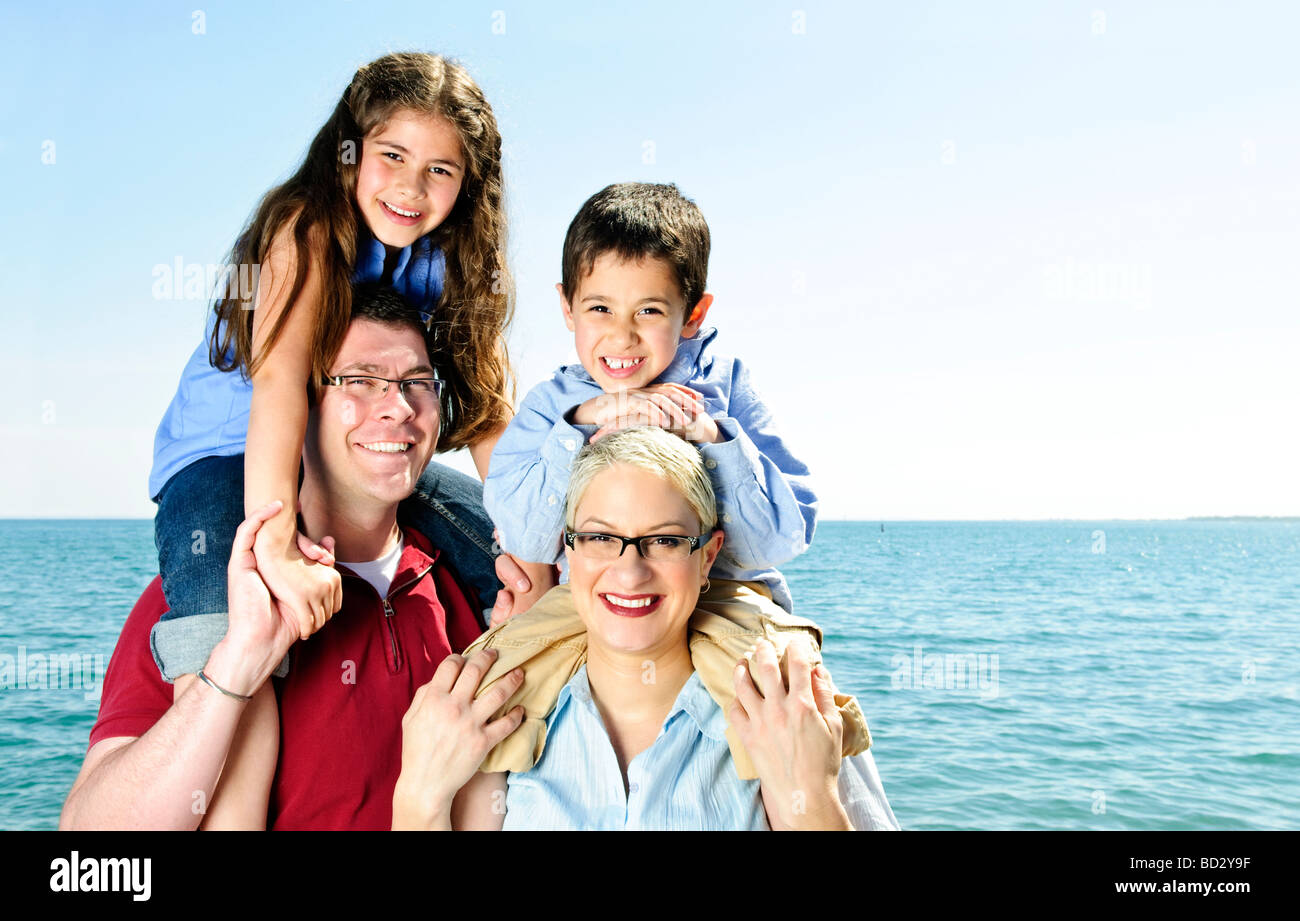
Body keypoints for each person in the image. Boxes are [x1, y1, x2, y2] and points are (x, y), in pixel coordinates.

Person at [60, 288, 525, 830]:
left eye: (415, 383)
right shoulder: (206, 598)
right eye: (360, 380)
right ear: (298, 407)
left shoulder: (476, 589)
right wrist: (236, 662)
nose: (398, 405)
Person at [469, 182, 869, 777]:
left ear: (694, 314)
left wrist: (713, 439)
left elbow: (778, 541)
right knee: (489, 684)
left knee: (795, 707)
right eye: (599, 308)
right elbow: (526, 536)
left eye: (649, 311)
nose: (622, 336)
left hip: (727, 603)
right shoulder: (553, 405)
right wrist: (579, 426)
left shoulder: (725, 388)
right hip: (595, 604)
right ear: (566, 305)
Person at [392, 426, 898, 830]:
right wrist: (417, 797)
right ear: (569, 551)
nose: (630, 571)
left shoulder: (792, 710)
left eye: (666, 541)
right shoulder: (501, 720)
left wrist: (811, 805)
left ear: (708, 558)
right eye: (600, 537)